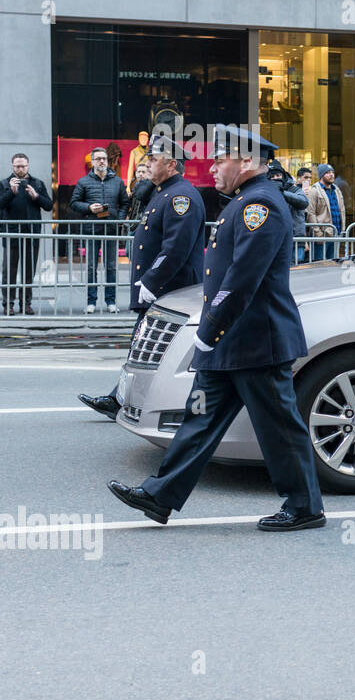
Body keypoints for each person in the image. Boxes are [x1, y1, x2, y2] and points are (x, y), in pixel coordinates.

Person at [106, 125, 326, 532]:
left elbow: (243, 279)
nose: (213, 167)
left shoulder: (261, 206)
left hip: (257, 340)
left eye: (221, 159)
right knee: (199, 419)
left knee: (278, 427)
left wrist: (208, 329)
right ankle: (160, 495)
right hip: (231, 342)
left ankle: (304, 507)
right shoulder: (244, 201)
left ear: (246, 162)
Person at [78, 136, 204, 420]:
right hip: (162, 289)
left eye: (153, 159)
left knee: (156, 351)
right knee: (145, 348)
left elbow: (175, 248)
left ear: (172, 164)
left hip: (171, 290)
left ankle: (129, 401)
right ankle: (119, 399)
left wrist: (151, 280)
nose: (147, 163)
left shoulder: (181, 197)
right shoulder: (163, 192)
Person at [69, 146, 129, 314]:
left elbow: (125, 202)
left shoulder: (117, 181)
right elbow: (73, 203)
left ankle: (110, 301)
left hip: (110, 228)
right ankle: (91, 302)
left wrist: (119, 218)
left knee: (111, 266)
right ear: (92, 162)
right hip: (91, 229)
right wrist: (89, 207)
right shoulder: (83, 182)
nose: (102, 161)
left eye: (104, 158)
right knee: (91, 267)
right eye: (98, 159)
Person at [0, 153, 54, 316]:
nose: (20, 169)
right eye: (17, 166)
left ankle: (26, 304)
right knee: (9, 271)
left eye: (23, 166)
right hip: (11, 234)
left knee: (28, 272)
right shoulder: (4, 184)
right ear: (12, 166)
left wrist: (36, 196)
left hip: (31, 234)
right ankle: (8, 304)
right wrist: (11, 192)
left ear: (28, 166)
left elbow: (49, 205)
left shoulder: (37, 183)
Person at [306, 162, 346, 260]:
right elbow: (311, 213)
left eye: (332, 172)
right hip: (322, 235)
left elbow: (342, 210)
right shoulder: (314, 191)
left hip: (336, 234)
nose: (331, 174)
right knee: (319, 265)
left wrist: (343, 230)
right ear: (321, 176)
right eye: (328, 172)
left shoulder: (337, 190)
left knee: (333, 263)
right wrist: (317, 233)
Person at [268, 160, 308, 255]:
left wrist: (283, 193)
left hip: (295, 239)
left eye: (278, 176)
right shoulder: (266, 190)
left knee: (298, 268)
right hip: (274, 239)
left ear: (283, 175)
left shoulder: (294, 189)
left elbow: (304, 202)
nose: (275, 179)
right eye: (272, 177)